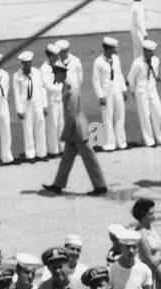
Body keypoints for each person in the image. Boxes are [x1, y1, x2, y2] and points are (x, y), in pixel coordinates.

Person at [41, 59, 108, 195]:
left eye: (56, 74)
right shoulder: (66, 86)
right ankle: (58, 185)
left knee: (89, 158)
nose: (54, 76)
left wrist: (65, 134)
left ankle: (100, 186)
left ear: (62, 73)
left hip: (77, 130)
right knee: (67, 159)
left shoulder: (71, 88)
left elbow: (72, 115)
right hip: (74, 130)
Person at [128, 38, 161, 148]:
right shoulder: (137, 63)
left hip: (152, 89)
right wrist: (132, 91)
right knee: (145, 115)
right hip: (141, 91)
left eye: (153, 51)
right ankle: (149, 140)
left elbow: (155, 74)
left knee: (158, 113)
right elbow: (131, 78)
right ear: (144, 51)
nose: (152, 53)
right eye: (149, 51)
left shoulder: (155, 60)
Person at [92, 37, 129, 152]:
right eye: (113, 48)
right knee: (107, 118)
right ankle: (109, 144)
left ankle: (121, 143)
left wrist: (123, 89)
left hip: (117, 90)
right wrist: (100, 95)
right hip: (106, 93)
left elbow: (119, 75)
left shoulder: (116, 59)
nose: (115, 50)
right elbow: (96, 80)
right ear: (108, 49)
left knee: (120, 116)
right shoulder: (98, 61)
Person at [12, 51, 48, 162]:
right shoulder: (17, 76)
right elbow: (16, 94)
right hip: (26, 106)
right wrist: (19, 110)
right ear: (22, 63)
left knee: (40, 128)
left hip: (37, 104)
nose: (28, 65)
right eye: (25, 63)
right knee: (28, 130)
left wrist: (45, 105)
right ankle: (31, 154)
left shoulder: (37, 72)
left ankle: (41, 153)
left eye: (29, 62)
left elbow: (42, 89)